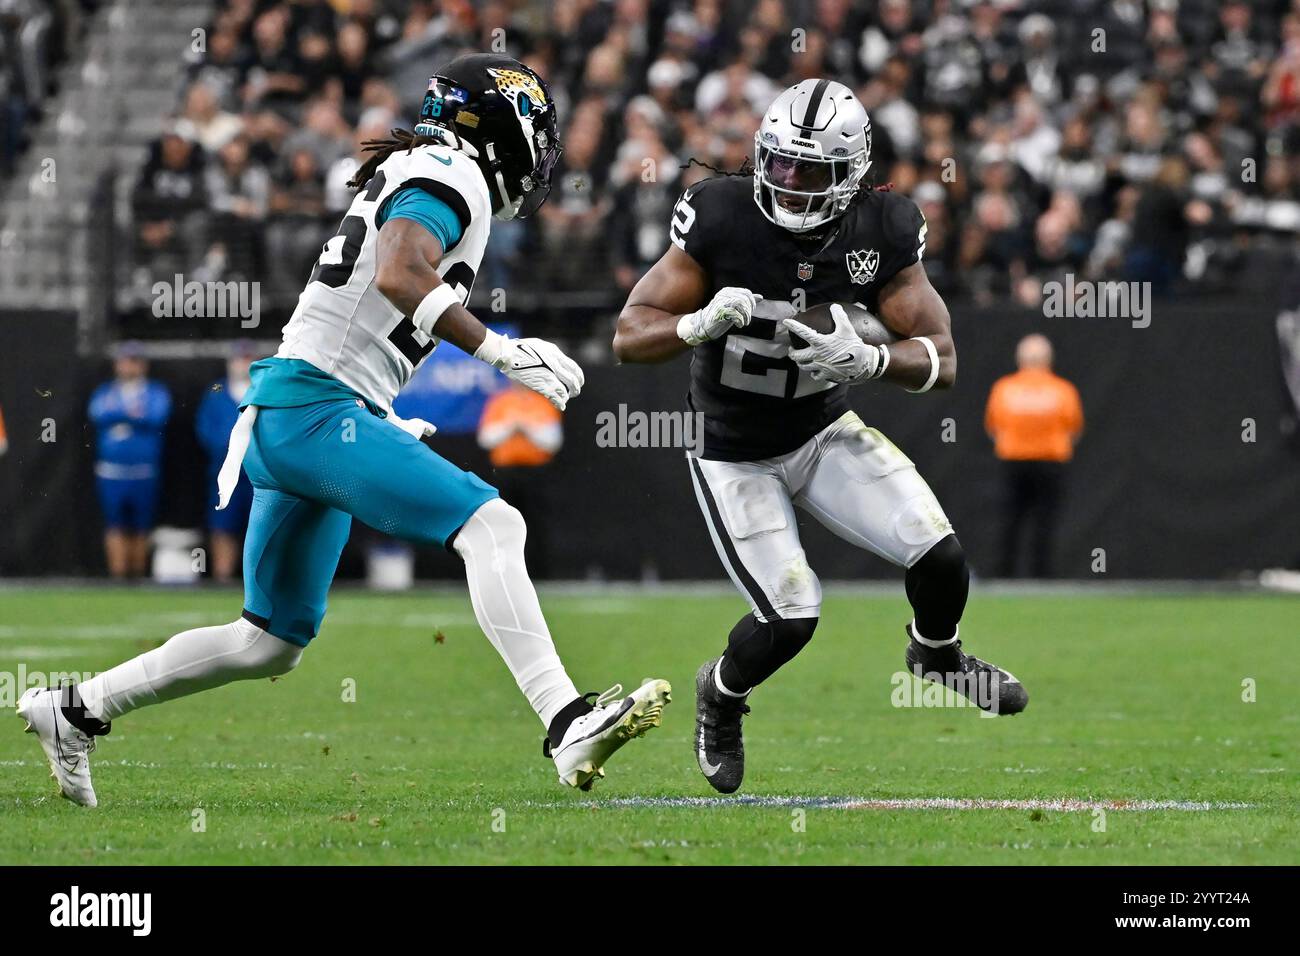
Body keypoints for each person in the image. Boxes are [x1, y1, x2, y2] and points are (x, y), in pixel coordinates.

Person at [19, 54, 670, 808]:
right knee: (493, 525)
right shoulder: (452, 173)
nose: (543, 153)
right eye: (535, 133)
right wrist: (496, 351)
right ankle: (566, 722)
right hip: (316, 408)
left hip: (298, 409)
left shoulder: (431, 167)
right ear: (497, 128)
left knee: (269, 640)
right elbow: (398, 271)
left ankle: (75, 709)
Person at [614, 78, 1027, 795]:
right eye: (778, 163)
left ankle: (936, 655)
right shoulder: (720, 214)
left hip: (823, 430)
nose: (790, 183)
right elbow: (628, 335)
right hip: (733, 450)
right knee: (791, 617)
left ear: (854, 173)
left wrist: (870, 360)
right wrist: (695, 325)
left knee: (941, 555)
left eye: (811, 170)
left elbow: (943, 359)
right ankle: (721, 693)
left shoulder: (884, 229)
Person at [984, 334, 1084, 578]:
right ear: (1049, 359)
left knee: (1011, 521)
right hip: (1049, 463)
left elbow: (993, 428)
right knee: (1044, 522)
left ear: (1019, 358)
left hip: (1014, 461)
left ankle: (1004, 575)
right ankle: (1042, 577)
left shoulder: (1005, 388)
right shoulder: (1063, 390)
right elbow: (1074, 430)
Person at [87, 344, 172, 580]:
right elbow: (97, 414)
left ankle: (137, 575)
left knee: (141, 526)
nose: (129, 366)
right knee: (115, 524)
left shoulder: (155, 392)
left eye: (134, 361)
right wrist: (132, 415)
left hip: (143, 470)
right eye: (125, 361)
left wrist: (121, 416)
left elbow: (156, 416)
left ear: (142, 365)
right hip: (111, 471)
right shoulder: (106, 392)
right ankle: (118, 576)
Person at [477, 382, 563, 571]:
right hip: (505, 473)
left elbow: (552, 441)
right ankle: (504, 568)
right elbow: (486, 438)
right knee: (503, 522)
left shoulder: (543, 403)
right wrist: (510, 427)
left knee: (535, 522)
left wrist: (526, 428)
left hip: (535, 473)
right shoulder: (500, 401)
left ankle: (537, 570)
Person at [195, 343, 257, 582]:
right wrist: (227, 449)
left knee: (259, 523)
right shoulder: (217, 390)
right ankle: (223, 575)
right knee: (223, 523)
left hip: (256, 472)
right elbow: (205, 427)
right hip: (225, 469)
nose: (242, 364)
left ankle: (258, 579)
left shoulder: (263, 389)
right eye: (239, 359)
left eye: (247, 358)